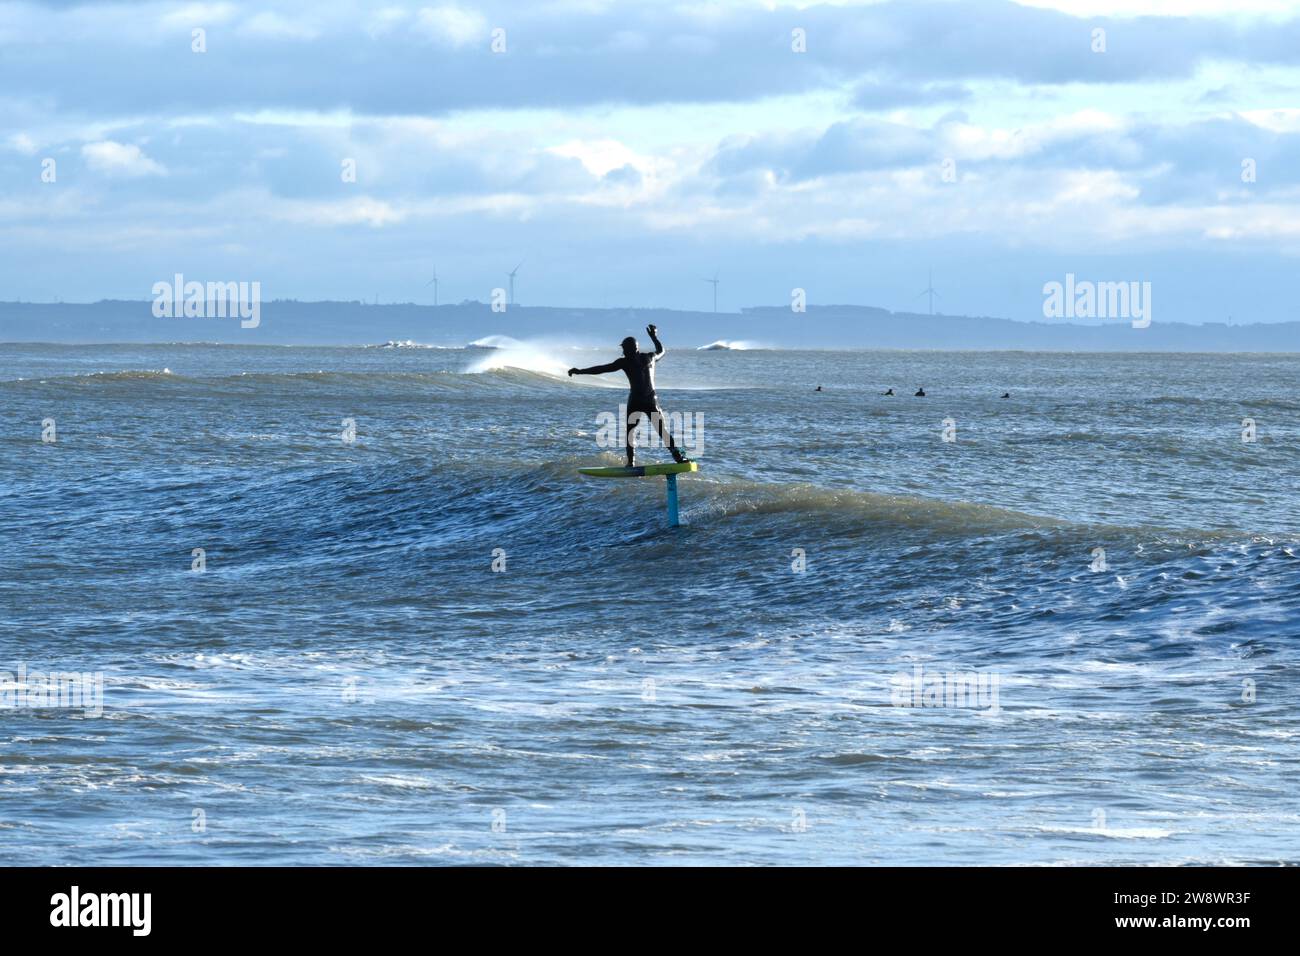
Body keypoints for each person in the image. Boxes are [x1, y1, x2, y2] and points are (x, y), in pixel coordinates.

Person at [569, 324, 689, 467]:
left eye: (624, 349)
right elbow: (662, 351)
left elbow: (601, 369)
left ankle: (630, 463)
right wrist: (654, 337)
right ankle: (678, 458)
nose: (623, 351)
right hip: (651, 400)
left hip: (636, 401)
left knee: (630, 432)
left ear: (628, 349)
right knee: (662, 431)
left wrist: (580, 371)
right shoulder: (649, 357)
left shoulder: (624, 362)